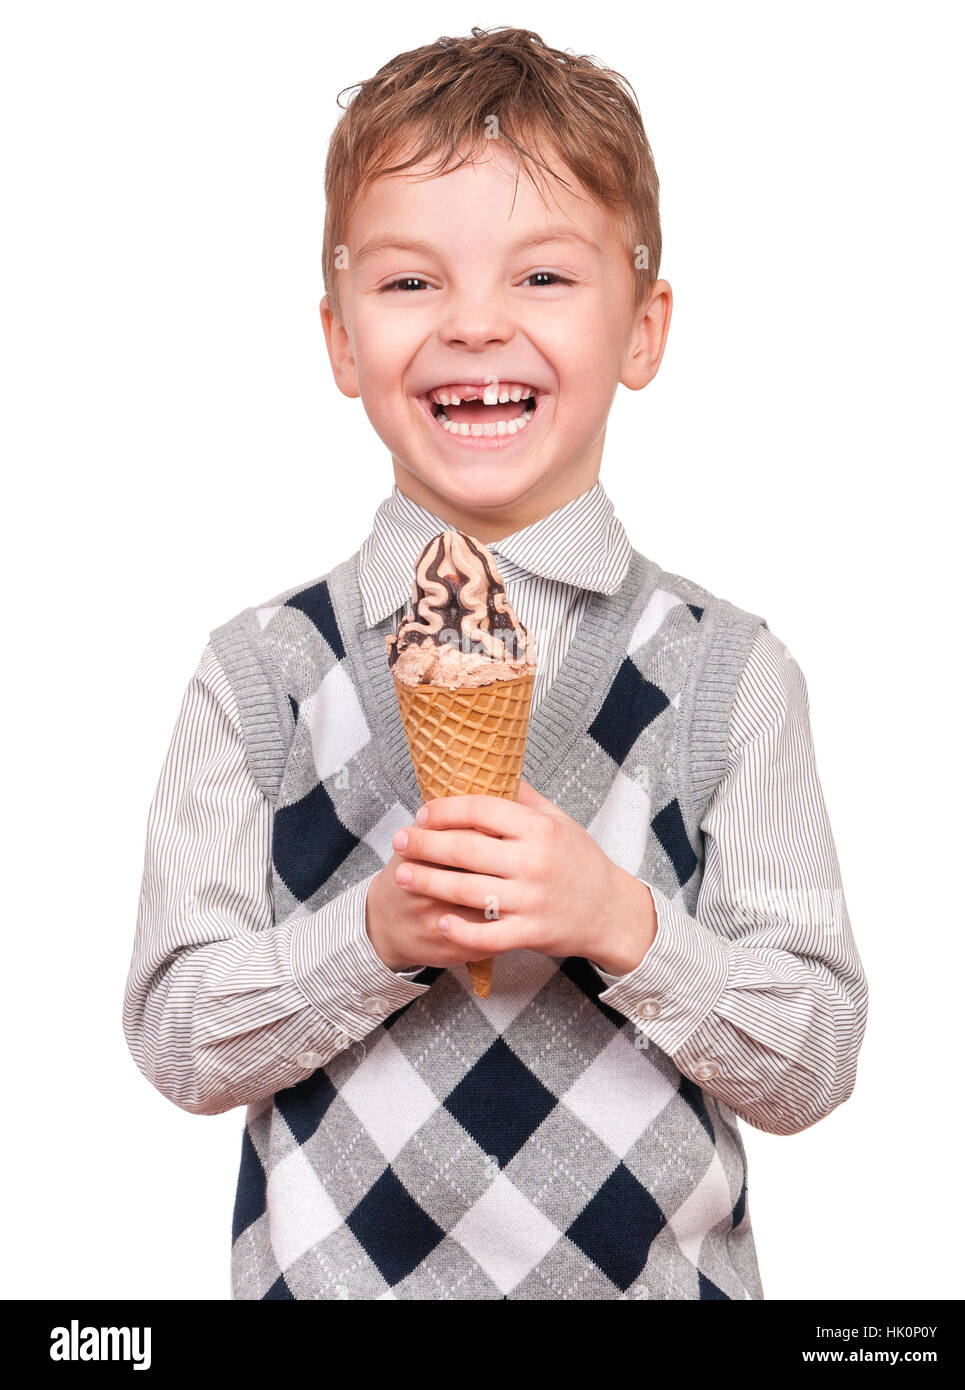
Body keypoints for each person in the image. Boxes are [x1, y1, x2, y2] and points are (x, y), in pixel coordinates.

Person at [123, 25, 867, 1301]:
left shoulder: (728, 675)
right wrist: (372, 935)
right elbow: (177, 1032)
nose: (475, 325)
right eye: (411, 283)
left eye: (544, 278)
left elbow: (814, 1055)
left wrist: (622, 924)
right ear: (340, 339)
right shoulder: (262, 672)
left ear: (645, 328)